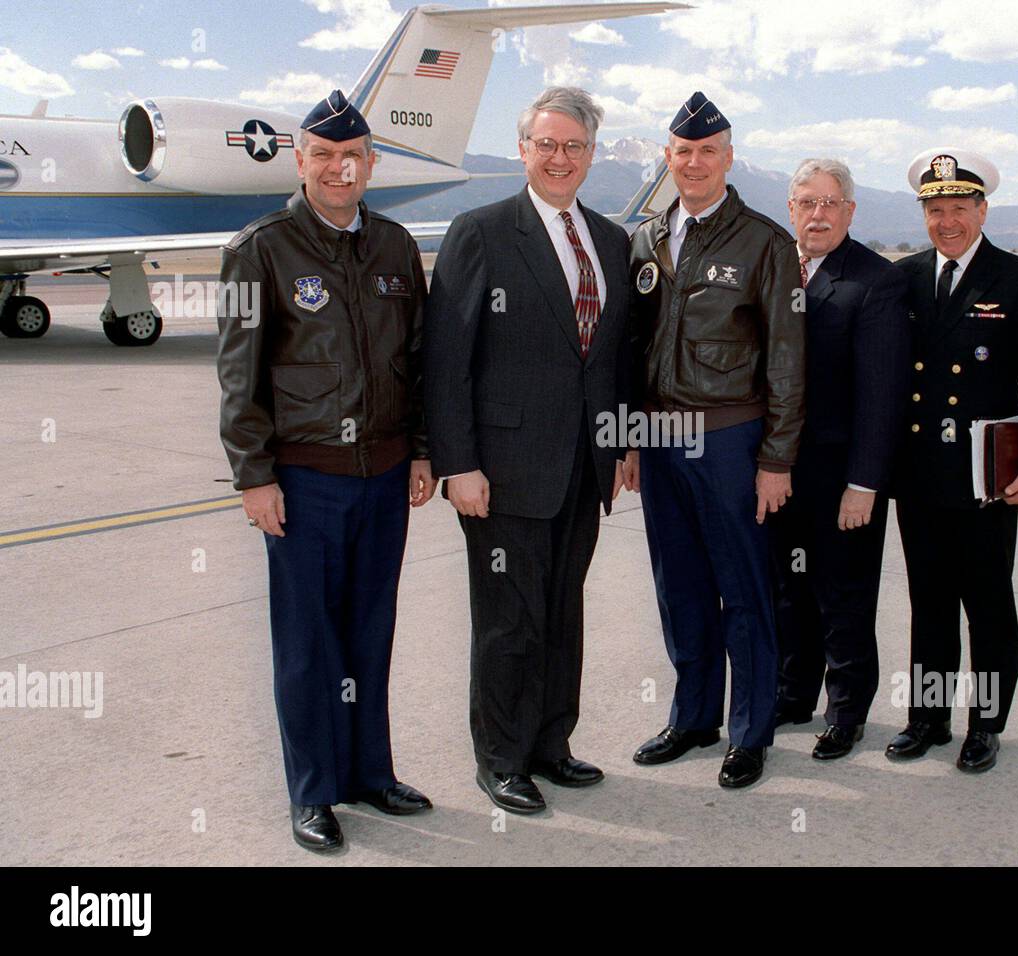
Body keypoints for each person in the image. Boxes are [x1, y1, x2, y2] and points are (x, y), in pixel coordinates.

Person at [216, 90, 434, 852]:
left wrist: (424, 448)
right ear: (300, 160)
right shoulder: (260, 248)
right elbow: (239, 374)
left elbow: (416, 360)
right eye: (324, 156)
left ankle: (369, 773)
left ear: (371, 164)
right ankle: (312, 792)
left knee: (370, 631)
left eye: (353, 157)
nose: (340, 169)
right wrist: (253, 474)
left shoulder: (397, 247)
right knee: (308, 642)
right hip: (303, 479)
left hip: (383, 473)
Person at [424, 87, 631, 815]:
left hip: (583, 467)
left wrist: (622, 442)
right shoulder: (480, 231)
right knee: (509, 619)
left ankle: (551, 744)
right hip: (502, 472)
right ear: (523, 150)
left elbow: (610, 360)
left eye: (574, 146)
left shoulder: (610, 241)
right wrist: (459, 465)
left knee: (561, 611)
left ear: (591, 155)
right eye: (546, 144)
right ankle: (501, 759)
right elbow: (446, 359)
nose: (560, 158)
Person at [625, 92, 805, 789]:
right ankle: (693, 716)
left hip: (731, 442)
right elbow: (633, 350)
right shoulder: (643, 240)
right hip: (661, 442)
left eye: (707, 152)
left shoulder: (762, 242)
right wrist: (634, 439)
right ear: (668, 159)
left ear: (727, 158)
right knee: (681, 589)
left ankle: (750, 731)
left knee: (745, 589)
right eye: (682, 152)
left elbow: (788, 360)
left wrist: (777, 458)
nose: (694, 163)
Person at [886, 148, 1018, 773]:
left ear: (982, 209)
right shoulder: (904, 277)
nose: (947, 221)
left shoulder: (1017, 278)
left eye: (959, 208)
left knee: (987, 602)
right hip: (918, 477)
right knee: (928, 600)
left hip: (984, 478)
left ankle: (984, 726)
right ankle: (929, 719)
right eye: (935, 209)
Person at [768, 159, 909, 760]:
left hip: (840, 476)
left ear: (850, 212)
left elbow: (883, 395)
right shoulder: (775, 269)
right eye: (807, 202)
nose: (818, 214)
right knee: (788, 589)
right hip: (777, 471)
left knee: (844, 595)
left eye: (830, 203)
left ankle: (846, 709)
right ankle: (793, 693)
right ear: (791, 210)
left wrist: (865, 483)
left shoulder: (876, 281)